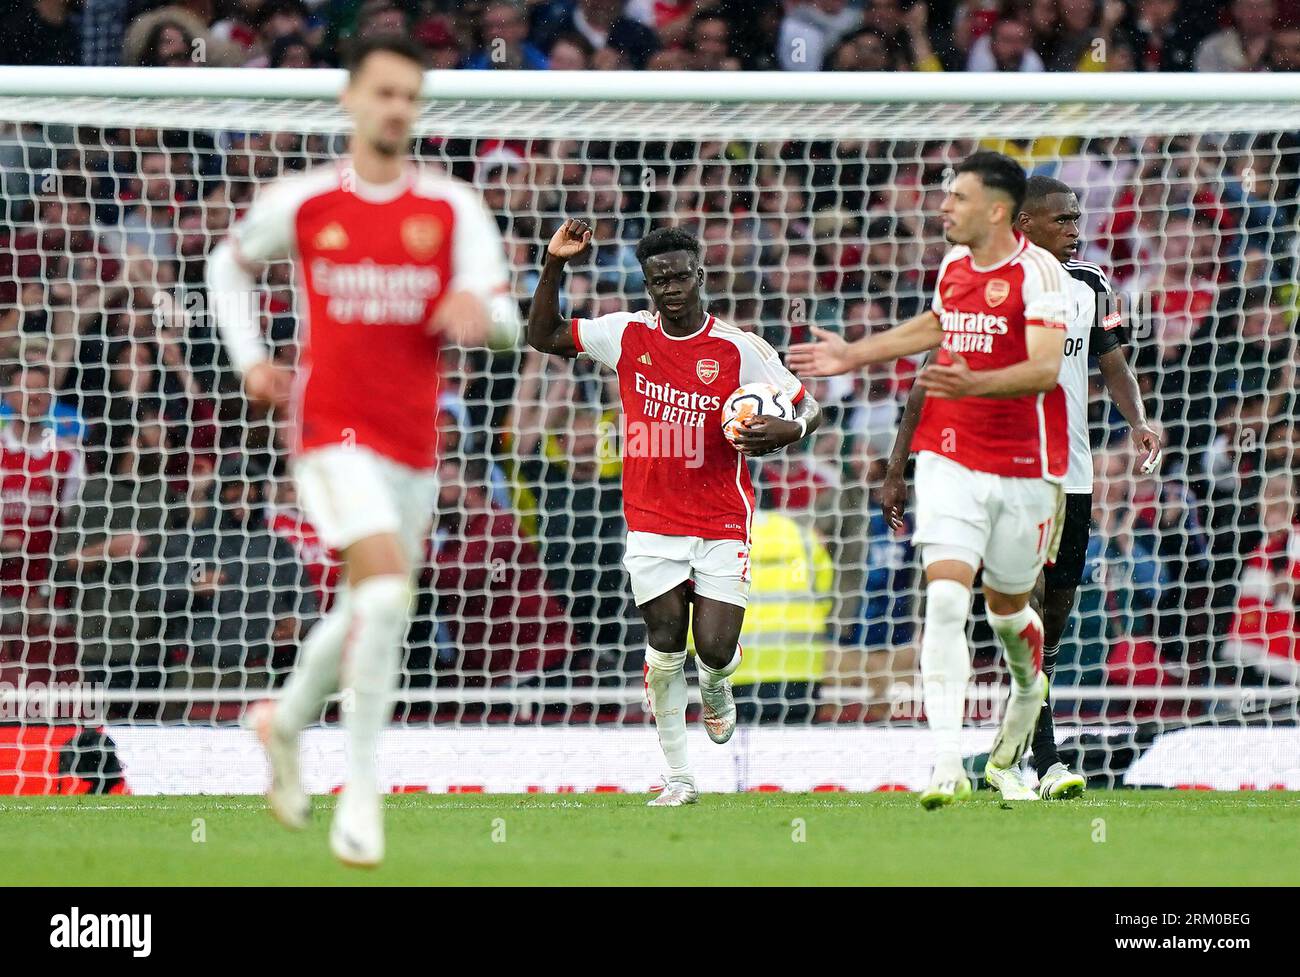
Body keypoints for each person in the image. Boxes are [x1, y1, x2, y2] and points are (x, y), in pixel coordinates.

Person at [205, 34, 520, 867]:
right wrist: (250, 361)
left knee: (370, 604)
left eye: (410, 97)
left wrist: (471, 307)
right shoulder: (306, 202)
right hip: (328, 434)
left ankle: (281, 720)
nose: (396, 109)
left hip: (415, 446)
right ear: (350, 99)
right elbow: (225, 267)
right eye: (383, 93)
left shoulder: (452, 208)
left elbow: (501, 309)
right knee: (384, 599)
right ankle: (365, 790)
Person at [789, 151, 1069, 809]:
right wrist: (854, 352)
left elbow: (1045, 368)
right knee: (945, 600)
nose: (944, 208)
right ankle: (946, 761)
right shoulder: (953, 264)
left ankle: (1029, 688)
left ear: (996, 210)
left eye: (958, 198)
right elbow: (938, 323)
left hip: (1026, 468)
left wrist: (975, 381)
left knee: (1006, 611)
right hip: (950, 456)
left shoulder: (1041, 274)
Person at [881, 175, 1161, 800]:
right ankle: (1043, 760)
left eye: (1077, 217)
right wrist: (897, 466)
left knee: (1050, 629)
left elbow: (1111, 361)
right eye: (1063, 219)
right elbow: (931, 377)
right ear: (1025, 223)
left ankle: (1016, 754)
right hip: (1008, 470)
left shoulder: (1089, 286)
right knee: (1022, 610)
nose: (1076, 228)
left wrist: (1138, 421)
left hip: (1076, 477)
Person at [527, 219, 823, 806]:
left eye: (680, 278)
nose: (670, 290)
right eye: (658, 281)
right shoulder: (627, 335)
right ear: (647, 283)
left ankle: (716, 684)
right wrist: (555, 262)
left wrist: (782, 431)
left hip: (719, 522)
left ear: (699, 277)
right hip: (651, 522)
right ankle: (679, 776)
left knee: (712, 649)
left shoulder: (739, 349)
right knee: (664, 646)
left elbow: (808, 407)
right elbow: (544, 335)